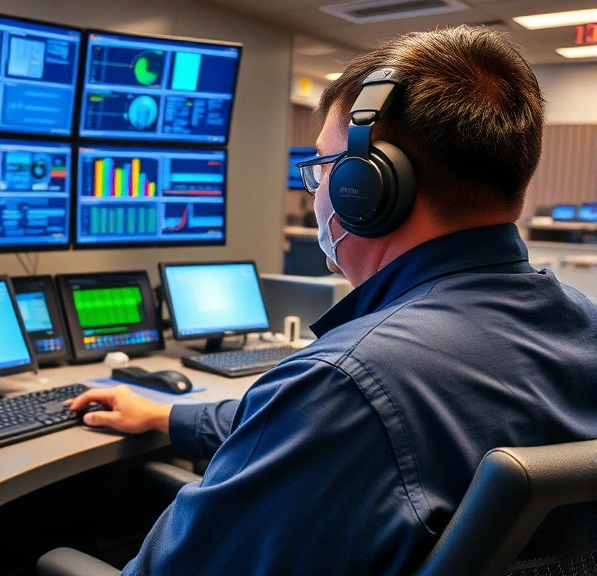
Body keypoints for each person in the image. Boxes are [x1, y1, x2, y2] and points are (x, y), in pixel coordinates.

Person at [68, 26, 597, 575]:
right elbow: (363, 436)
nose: (315, 193)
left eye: (322, 170)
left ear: (365, 187)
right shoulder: (581, 326)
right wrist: (169, 415)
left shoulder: (344, 384)